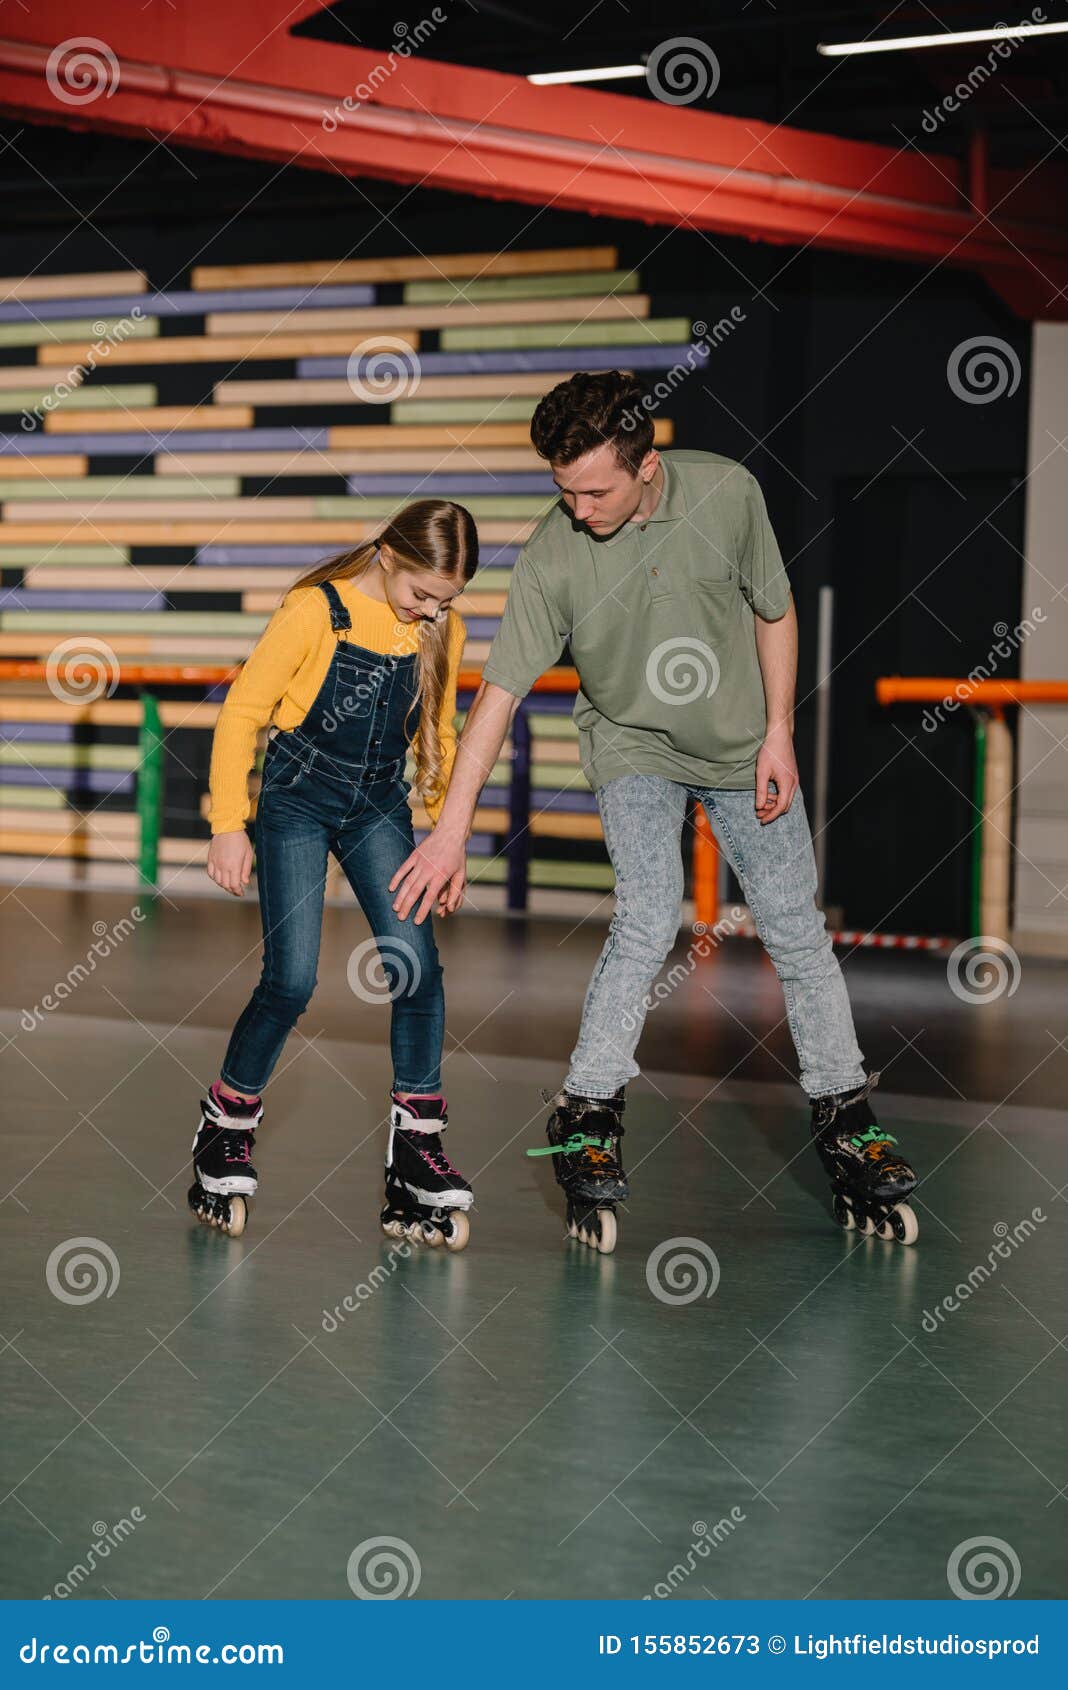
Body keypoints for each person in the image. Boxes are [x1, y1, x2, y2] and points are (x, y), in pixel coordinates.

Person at [388, 373, 919, 1252]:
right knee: (644, 916)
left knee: (795, 929)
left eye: (595, 489)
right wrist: (449, 830)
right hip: (633, 746)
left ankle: (845, 1113)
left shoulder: (727, 493)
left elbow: (775, 614)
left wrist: (780, 735)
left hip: (743, 744)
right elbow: (499, 697)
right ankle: (588, 1111)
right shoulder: (555, 552)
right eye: (562, 489)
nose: (578, 506)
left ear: (648, 467)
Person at [190, 499, 478, 1249]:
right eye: (422, 594)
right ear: (388, 554)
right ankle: (225, 1125)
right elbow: (240, 715)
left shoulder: (442, 628)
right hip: (296, 799)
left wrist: (447, 837)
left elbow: (440, 736)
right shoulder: (313, 612)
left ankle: (416, 1151)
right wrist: (228, 825)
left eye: (446, 601)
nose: (431, 611)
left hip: (380, 807)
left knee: (415, 966)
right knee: (291, 979)